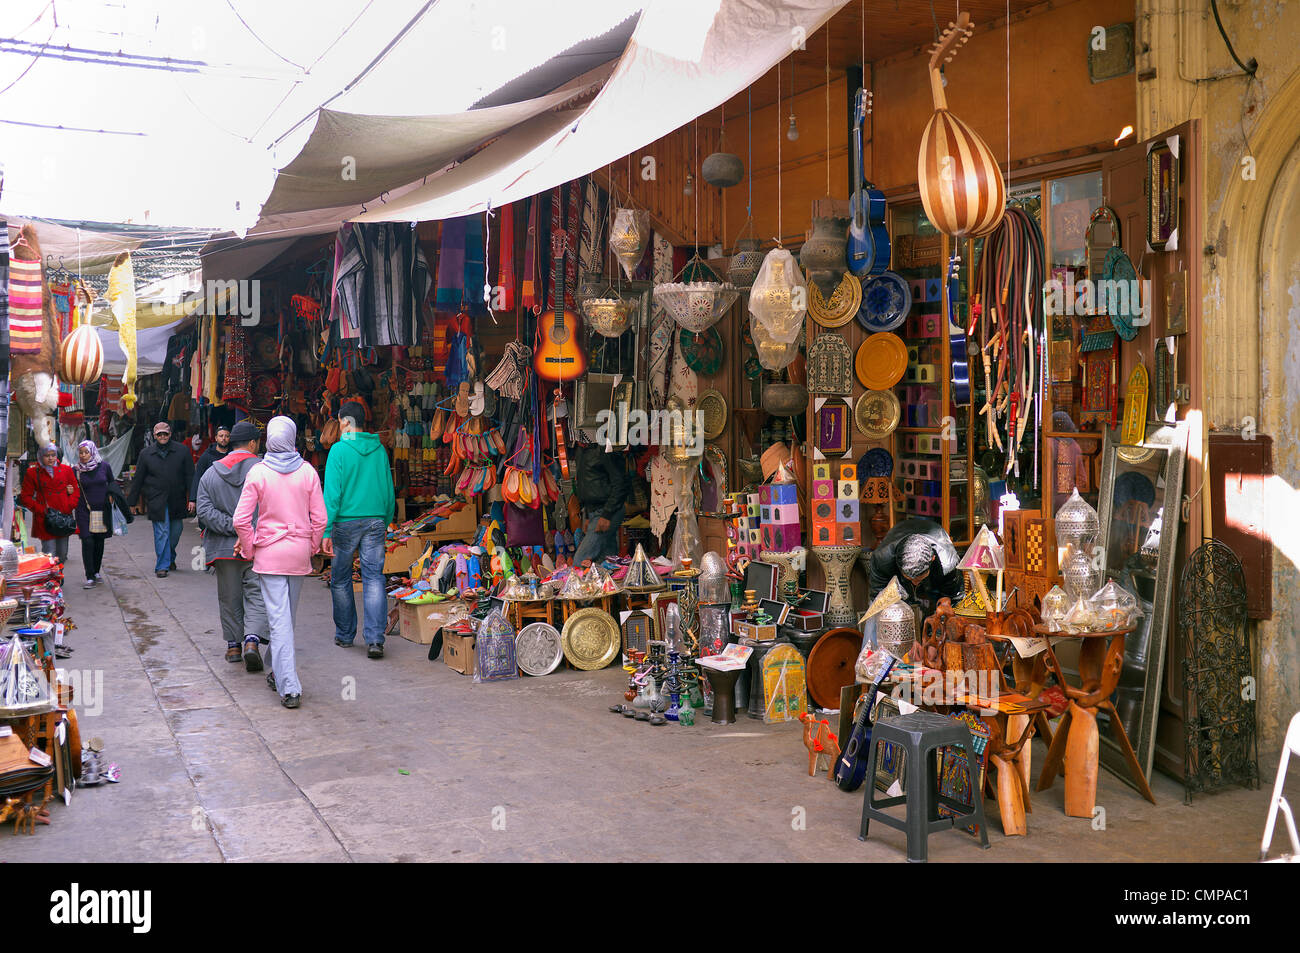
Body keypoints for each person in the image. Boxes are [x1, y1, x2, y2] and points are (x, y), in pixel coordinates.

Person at [233, 416, 326, 709]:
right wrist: (310, 546)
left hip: (270, 555)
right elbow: (320, 519)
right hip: (298, 553)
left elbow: (240, 519)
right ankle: (280, 672)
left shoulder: (259, 473)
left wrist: (249, 548)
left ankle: (290, 687)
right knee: (286, 618)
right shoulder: (308, 472)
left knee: (280, 619)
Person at [321, 401, 395, 660]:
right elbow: (389, 491)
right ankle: (375, 640)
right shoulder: (379, 450)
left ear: (345, 422)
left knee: (340, 580)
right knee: (374, 578)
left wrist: (326, 530)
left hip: (345, 522)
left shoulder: (338, 451)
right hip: (375, 520)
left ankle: (345, 634)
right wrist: (385, 521)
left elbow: (332, 495)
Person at [195, 421, 268, 670]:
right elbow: (273, 506)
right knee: (256, 593)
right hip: (258, 545)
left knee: (229, 597)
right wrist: (247, 529)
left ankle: (234, 646)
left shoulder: (210, 473)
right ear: (251, 444)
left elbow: (204, 511)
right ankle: (252, 641)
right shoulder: (264, 470)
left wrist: (232, 527)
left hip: (223, 549)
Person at [127, 421, 195, 578]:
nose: (163, 436)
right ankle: (162, 566)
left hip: (177, 498)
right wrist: (131, 502)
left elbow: (190, 475)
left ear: (170, 434)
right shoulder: (146, 454)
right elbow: (138, 479)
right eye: (159, 434)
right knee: (162, 532)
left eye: (165, 433)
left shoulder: (182, 451)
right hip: (156, 499)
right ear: (154, 436)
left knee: (176, 531)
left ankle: (169, 556)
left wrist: (193, 498)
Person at [868, 517, 964, 617]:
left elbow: (956, 599)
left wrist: (945, 612)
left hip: (937, 578)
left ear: (933, 559)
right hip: (898, 539)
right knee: (877, 618)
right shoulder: (882, 559)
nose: (915, 583)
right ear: (898, 563)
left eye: (919, 578)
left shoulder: (948, 563)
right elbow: (878, 595)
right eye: (910, 578)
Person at [71, 439, 129, 588]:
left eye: (86, 452)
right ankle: (89, 576)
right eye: (81, 453)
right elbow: (70, 485)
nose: (83, 455)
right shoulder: (76, 470)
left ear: (93, 452)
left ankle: (96, 571)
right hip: (83, 510)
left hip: (102, 509)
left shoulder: (104, 467)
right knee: (87, 540)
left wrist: (111, 494)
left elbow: (111, 483)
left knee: (98, 541)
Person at [19, 445, 80, 563]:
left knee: (62, 554)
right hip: (45, 519)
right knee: (49, 555)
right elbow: (25, 497)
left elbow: (75, 490)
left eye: (53, 455)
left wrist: (69, 504)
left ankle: (59, 578)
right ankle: (50, 580)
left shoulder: (66, 470)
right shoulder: (33, 472)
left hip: (63, 517)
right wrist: (40, 509)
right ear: (41, 456)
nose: (51, 458)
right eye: (47, 456)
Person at [571, 443, 628, 566]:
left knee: (580, 560)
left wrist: (607, 514)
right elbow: (584, 485)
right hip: (597, 511)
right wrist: (586, 515)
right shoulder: (582, 449)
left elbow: (620, 483)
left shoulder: (605, 449)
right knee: (608, 561)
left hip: (606, 510)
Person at [191, 423, 231, 501]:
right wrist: (193, 499)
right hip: (211, 495)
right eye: (221, 436)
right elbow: (198, 476)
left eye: (226, 436)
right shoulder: (207, 455)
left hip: (229, 495)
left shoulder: (233, 454)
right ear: (216, 438)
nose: (224, 438)